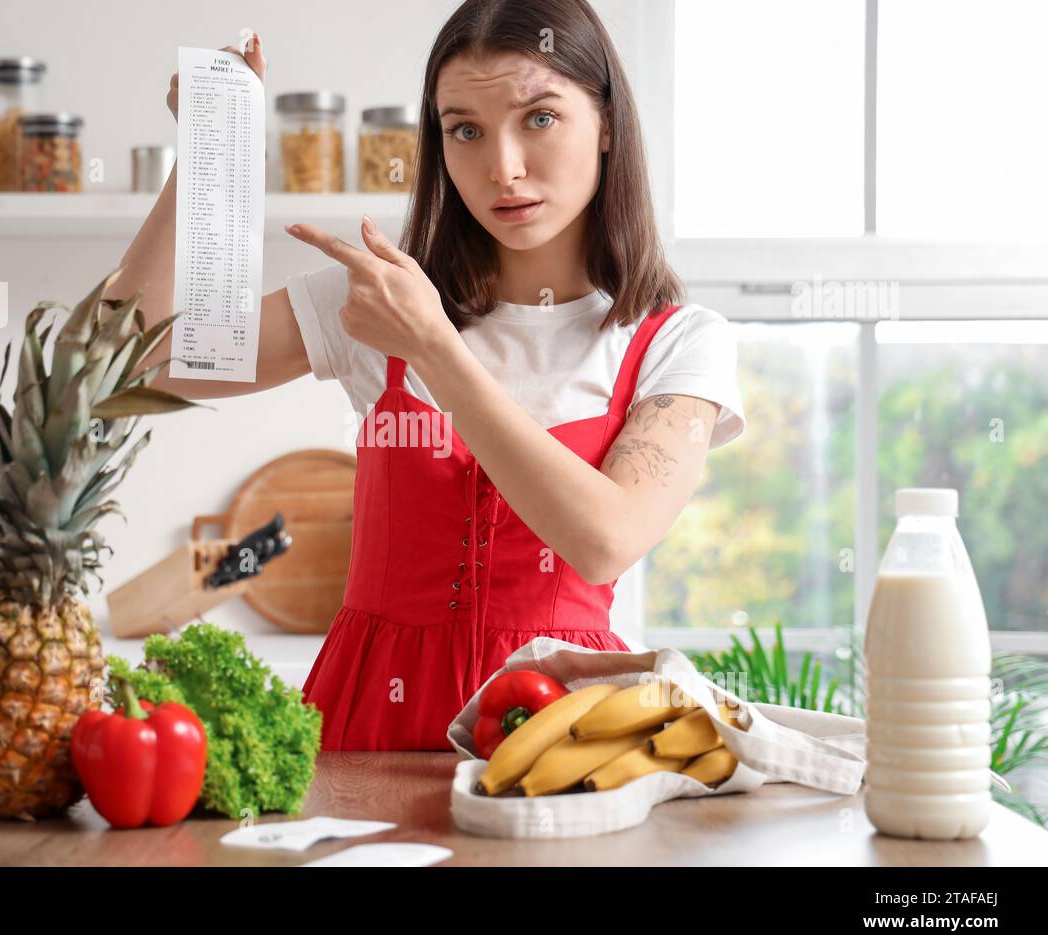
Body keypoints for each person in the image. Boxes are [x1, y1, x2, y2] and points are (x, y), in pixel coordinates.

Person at [111, 0, 746, 751]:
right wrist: (209, 150)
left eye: (538, 118)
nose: (502, 166)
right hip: (363, 722)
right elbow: (125, 364)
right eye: (465, 130)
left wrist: (435, 348)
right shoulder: (375, 299)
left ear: (606, 124)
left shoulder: (679, 343)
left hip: (558, 734)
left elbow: (605, 539)